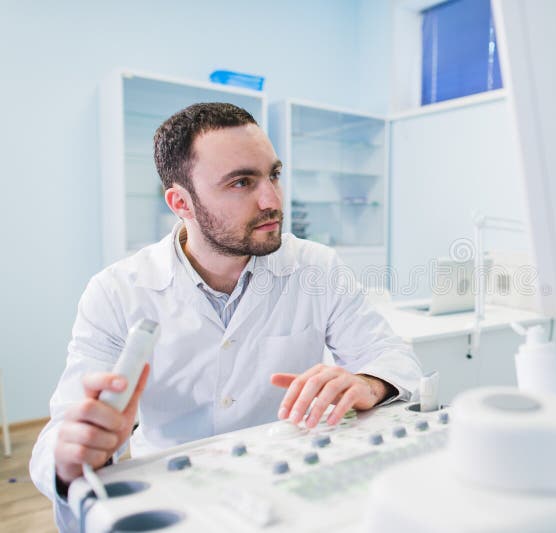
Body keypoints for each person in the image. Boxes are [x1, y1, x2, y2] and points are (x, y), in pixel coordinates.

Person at [29, 102, 421, 531]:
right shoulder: (116, 291)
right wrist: (77, 453)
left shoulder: (317, 268)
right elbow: (61, 434)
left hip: (286, 477)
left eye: (273, 174)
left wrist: (368, 382)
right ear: (182, 203)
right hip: (172, 493)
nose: (272, 199)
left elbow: (393, 358)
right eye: (241, 183)